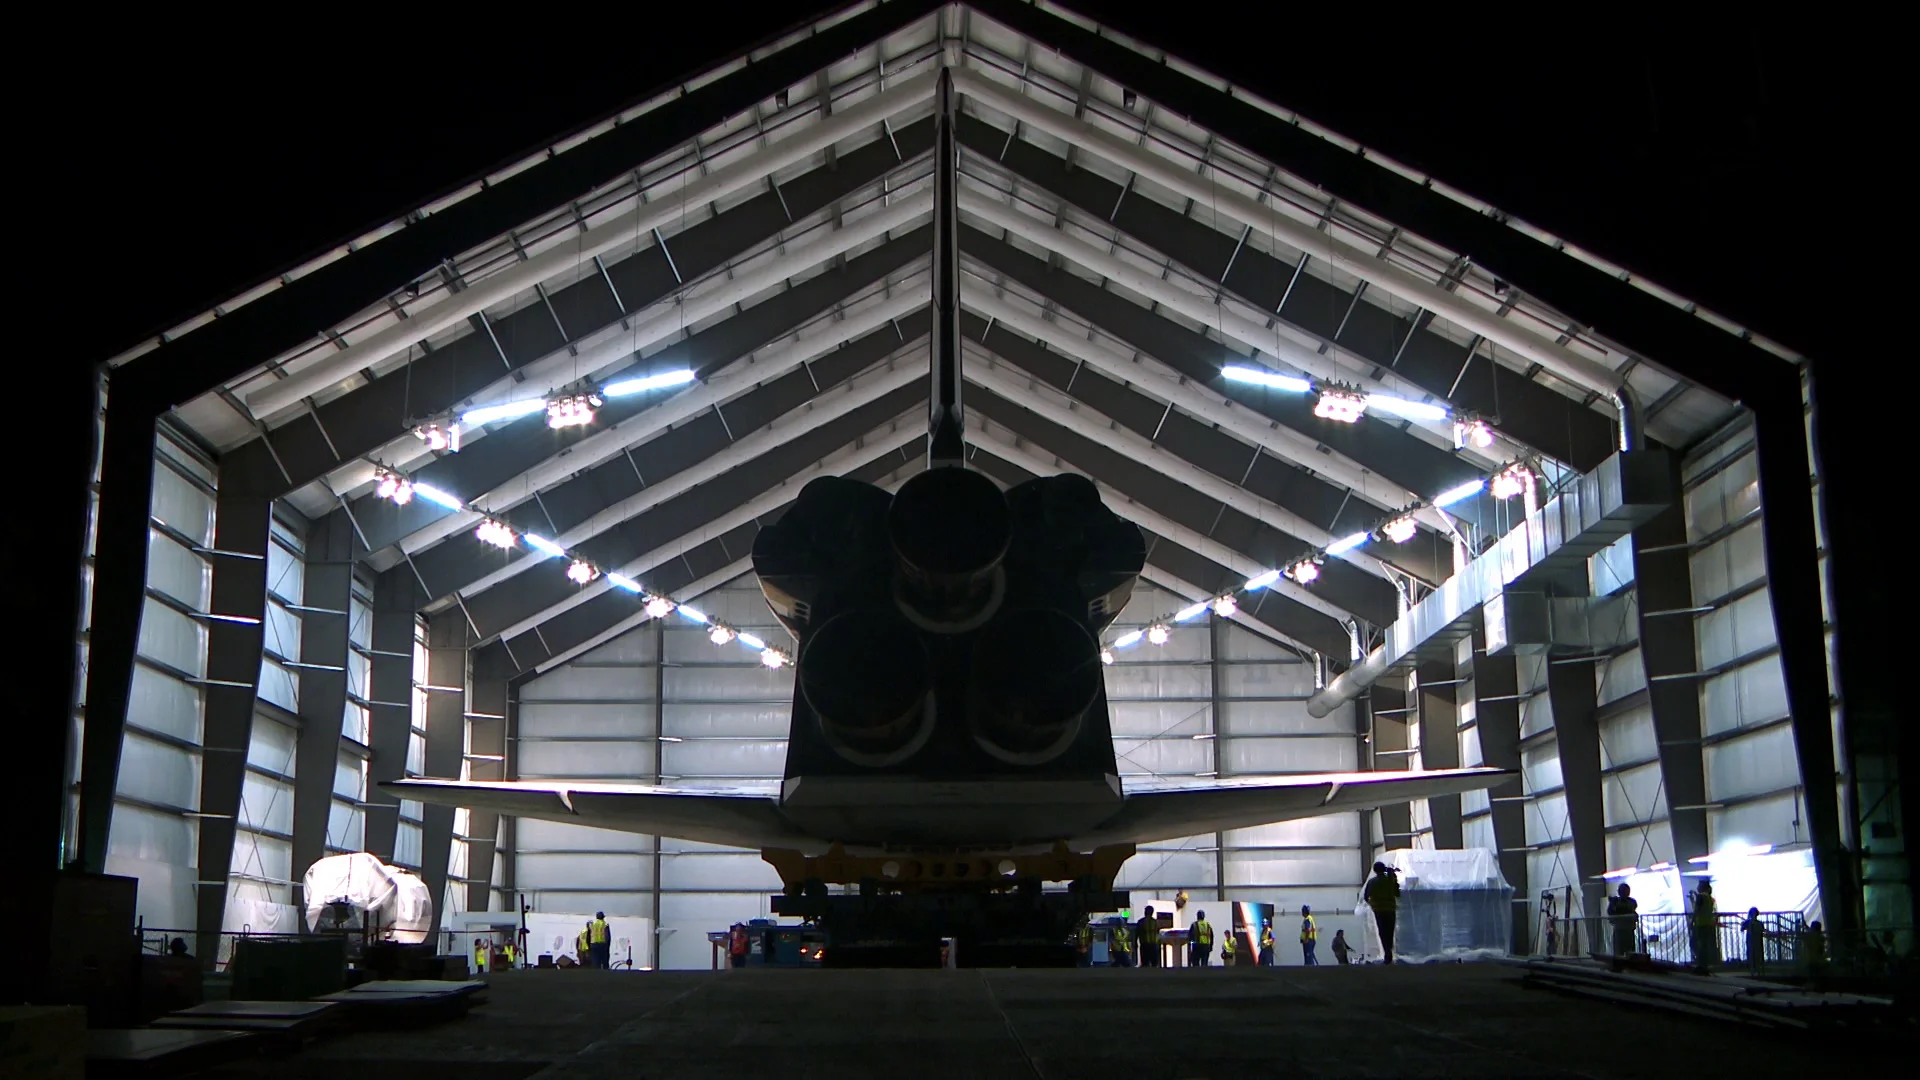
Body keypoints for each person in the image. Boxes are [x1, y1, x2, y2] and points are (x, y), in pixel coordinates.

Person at [1364, 862, 1402, 964]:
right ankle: (1389, 951)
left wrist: (1373, 904)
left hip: (1379, 910)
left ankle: (1387, 952)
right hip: (1390, 909)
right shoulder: (1389, 880)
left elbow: (1366, 896)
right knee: (1390, 931)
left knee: (1383, 931)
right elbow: (1397, 893)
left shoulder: (1372, 882)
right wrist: (1392, 877)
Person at [1689, 882, 1720, 972]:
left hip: (1700, 924)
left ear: (1702, 887)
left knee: (1695, 944)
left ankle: (1699, 964)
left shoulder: (1700, 897)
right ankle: (1704, 964)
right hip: (1708, 923)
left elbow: (1696, 910)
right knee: (1704, 945)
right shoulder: (1710, 898)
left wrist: (1692, 922)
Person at [1606, 883, 1639, 961]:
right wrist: (1612, 903)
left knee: (1629, 952)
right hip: (1620, 930)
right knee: (1619, 952)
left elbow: (1630, 909)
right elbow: (1610, 912)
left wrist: (1614, 904)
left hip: (1627, 930)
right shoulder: (1616, 901)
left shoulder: (1631, 902)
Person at [1742, 907, 1765, 975]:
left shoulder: (1749, 922)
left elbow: (1742, 928)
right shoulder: (1758, 923)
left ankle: (1756, 970)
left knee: (1755, 955)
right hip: (1753, 941)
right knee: (1754, 955)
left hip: (1754, 941)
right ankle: (1755, 970)